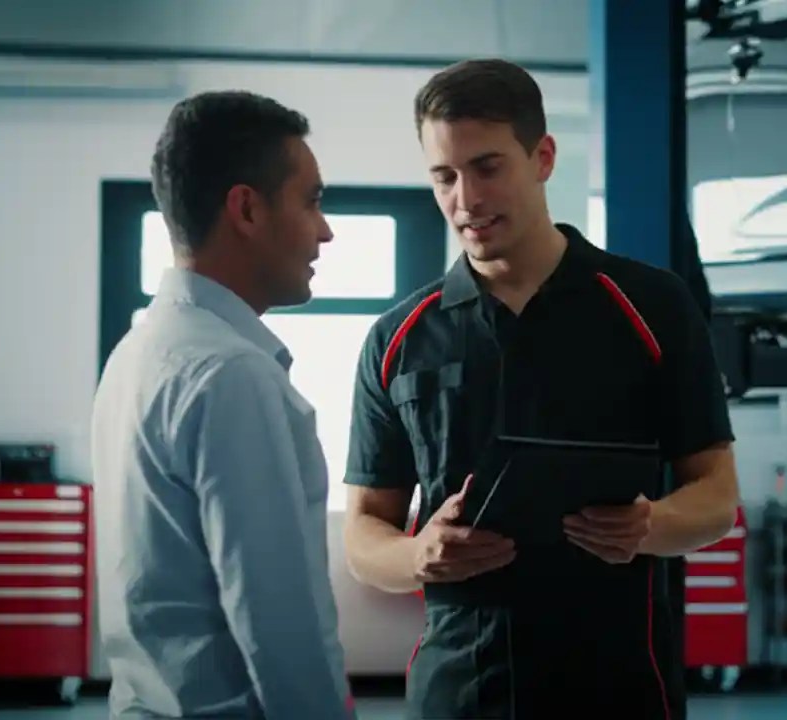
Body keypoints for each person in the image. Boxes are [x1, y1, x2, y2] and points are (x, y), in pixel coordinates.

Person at [342, 59, 740, 720]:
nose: (466, 200)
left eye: (487, 167)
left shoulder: (653, 308)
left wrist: (650, 525)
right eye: (445, 176)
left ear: (543, 158)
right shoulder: (398, 339)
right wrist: (416, 554)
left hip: (621, 690)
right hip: (460, 692)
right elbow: (363, 535)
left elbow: (717, 496)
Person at [91, 90, 353, 720]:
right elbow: (279, 624)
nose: (325, 230)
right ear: (247, 209)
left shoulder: (139, 350)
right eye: (311, 201)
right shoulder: (232, 375)